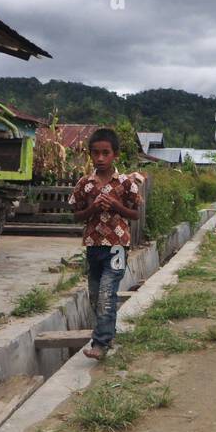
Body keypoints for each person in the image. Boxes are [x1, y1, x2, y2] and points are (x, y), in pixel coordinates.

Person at [69, 128, 141, 360]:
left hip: (118, 245)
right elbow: (76, 214)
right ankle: (106, 334)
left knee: (107, 292)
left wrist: (116, 205)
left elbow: (135, 213)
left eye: (105, 153)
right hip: (93, 245)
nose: (100, 158)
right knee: (94, 295)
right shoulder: (84, 184)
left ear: (115, 155)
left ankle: (99, 343)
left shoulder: (125, 183)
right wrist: (93, 208)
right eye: (95, 153)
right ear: (90, 154)